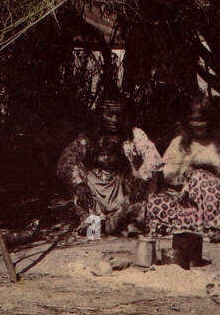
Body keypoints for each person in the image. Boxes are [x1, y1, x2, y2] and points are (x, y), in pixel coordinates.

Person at [56, 92, 162, 235]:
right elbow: (66, 160)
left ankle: (130, 221)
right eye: (109, 114)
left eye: (119, 115)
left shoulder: (135, 134)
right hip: (99, 191)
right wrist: (79, 184)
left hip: (128, 191)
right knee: (77, 171)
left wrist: (141, 181)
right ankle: (92, 220)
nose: (114, 119)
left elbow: (154, 158)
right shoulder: (89, 136)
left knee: (151, 176)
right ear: (100, 114)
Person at [145, 97, 220, 239]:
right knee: (155, 203)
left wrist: (213, 171)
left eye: (202, 120)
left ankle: (216, 225)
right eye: (194, 120)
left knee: (200, 176)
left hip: (218, 202)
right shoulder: (179, 143)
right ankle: (202, 226)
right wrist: (186, 172)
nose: (198, 124)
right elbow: (168, 174)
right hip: (188, 202)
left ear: (211, 120)